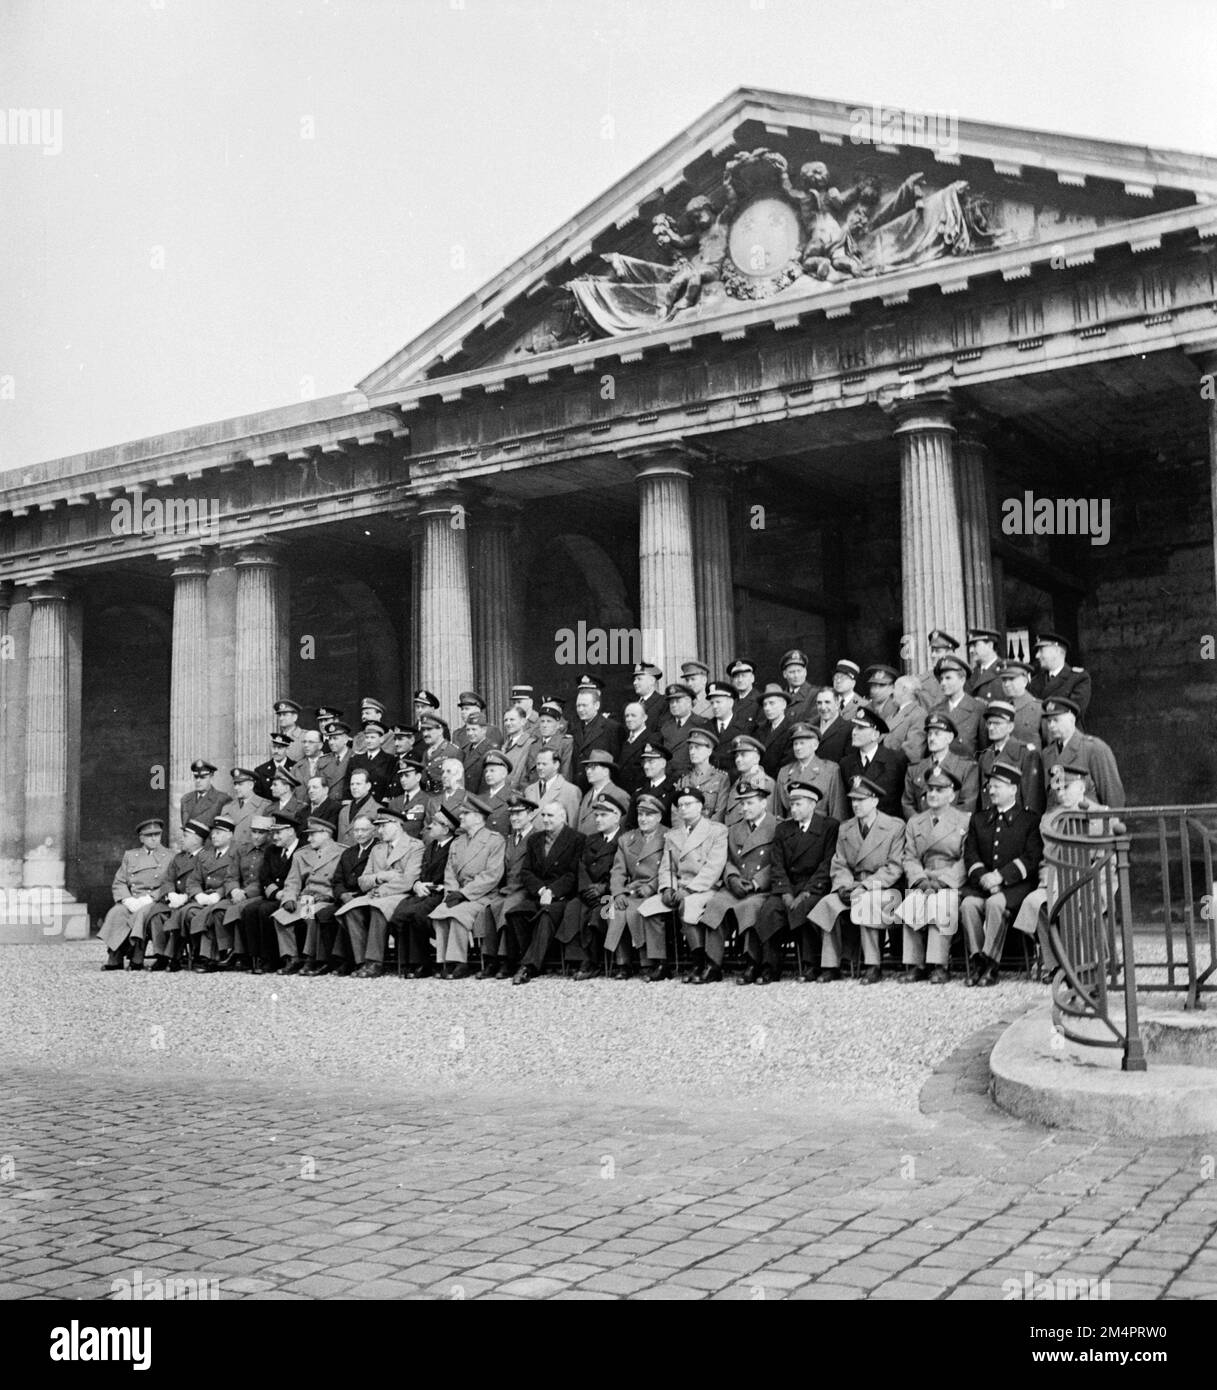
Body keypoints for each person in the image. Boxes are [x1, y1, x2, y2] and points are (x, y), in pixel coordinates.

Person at [809, 776, 905, 985]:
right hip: (851, 885)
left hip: (882, 888)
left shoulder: (894, 826)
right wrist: (843, 886)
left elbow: (894, 867)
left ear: (875, 801)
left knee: (866, 902)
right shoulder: (846, 828)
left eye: (861, 800)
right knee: (828, 903)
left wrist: (865, 886)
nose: (855, 805)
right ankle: (830, 964)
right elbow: (839, 862)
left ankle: (873, 965)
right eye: (853, 800)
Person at [960, 762, 1044, 987]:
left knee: (996, 904)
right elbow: (971, 855)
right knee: (968, 905)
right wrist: (985, 879)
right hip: (983, 884)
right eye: (990, 786)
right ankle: (978, 960)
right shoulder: (979, 819)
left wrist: (1001, 877)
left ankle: (991, 965)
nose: (992, 790)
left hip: (1017, 887)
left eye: (998, 786)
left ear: (1014, 789)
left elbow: (1031, 858)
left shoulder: (1029, 820)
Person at [757, 782, 838, 982]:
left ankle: (810, 965)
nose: (793, 809)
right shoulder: (783, 829)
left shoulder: (829, 827)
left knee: (805, 908)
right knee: (770, 910)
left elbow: (827, 864)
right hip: (788, 887)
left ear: (812, 804)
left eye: (798, 804)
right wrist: (784, 892)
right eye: (791, 805)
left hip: (814, 887)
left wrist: (807, 892)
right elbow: (777, 864)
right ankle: (770, 967)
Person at [701, 779, 779, 984]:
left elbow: (778, 863)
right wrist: (732, 877)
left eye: (750, 803)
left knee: (750, 907)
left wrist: (756, 883)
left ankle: (752, 962)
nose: (745, 808)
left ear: (764, 803)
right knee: (715, 904)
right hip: (737, 885)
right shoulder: (734, 829)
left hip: (761, 888)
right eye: (742, 803)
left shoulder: (777, 826)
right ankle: (713, 964)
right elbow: (726, 859)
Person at [896, 768, 969, 983]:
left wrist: (944, 881)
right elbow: (909, 857)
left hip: (948, 880)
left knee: (941, 902)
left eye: (940, 790)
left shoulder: (963, 821)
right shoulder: (915, 822)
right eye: (930, 790)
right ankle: (916, 964)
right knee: (913, 901)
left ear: (952, 795)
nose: (933, 794)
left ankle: (939, 964)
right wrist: (919, 879)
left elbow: (966, 858)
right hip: (924, 877)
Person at [652, 787, 730, 984]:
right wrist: (667, 887)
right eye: (680, 806)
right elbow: (667, 866)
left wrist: (689, 890)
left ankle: (701, 962)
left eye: (688, 804)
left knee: (689, 905)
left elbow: (714, 866)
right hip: (679, 887)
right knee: (649, 908)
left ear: (701, 806)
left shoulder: (716, 830)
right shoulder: (673, 835)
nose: (683, 809)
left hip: (705, 887)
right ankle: (661, 963)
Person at [336, 807, 425, 979]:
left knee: (378, 909)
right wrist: (381, 877)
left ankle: (374, 962)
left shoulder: (415, 846)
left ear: (397, 825)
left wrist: (381, 889)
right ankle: (361, 961)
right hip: (374, 894)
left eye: (383, 826)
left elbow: (408, 880)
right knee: (350, 910)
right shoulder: (378, 849)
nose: (379, 830)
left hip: (400, 895)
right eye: (379, 826)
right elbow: (362, 881)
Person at [427, 795, 506, 978]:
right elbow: (450, 872)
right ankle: (445, 961)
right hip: (459, 893)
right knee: (440, 913)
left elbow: (492, 876)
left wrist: (463, 894)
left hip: (482, 895)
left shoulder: (495, 840)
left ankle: (459, 962)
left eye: (465, 813)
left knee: (457, 915)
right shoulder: (458, 842)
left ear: (478, 818)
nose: (460, 817)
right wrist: (453, 892)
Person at [508, 802, 585, 985]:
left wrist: (552, 891)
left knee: (547, 914)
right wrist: (541, 890)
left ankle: (529, 966)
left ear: (563, 817)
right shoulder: (535, 840)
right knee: (516, 913)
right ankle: (534, 957)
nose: (545, 820)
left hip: (563, 897)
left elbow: (573, 874)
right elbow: (526, 872)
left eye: (550, 816)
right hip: (539, 892)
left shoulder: (577, 839)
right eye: (543, 816)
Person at [559, 793, 626, 979]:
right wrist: (587, 888)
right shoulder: (591, 839)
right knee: (572, 909)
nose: (598, 819)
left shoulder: (624, 839)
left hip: (609, 893)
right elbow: (580, 866)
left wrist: (604, 889)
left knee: (600, 913)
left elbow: (623, 871)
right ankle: (577, 959)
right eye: (596, 815)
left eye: (603, 815)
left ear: (617, 816)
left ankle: (595, 961)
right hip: (588, 892)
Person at [271, 816, 347, 974]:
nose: (309, 838)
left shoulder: (341, 852)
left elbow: (341, 881)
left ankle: (311, 958)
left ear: (326, 834)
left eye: (313, 834)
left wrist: (329, 896)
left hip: (324, 898)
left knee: (310, 915)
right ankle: (291, 958)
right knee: (280, 916)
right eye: (308, 834)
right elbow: (292, 882)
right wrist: (289, 898)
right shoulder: (302, 854)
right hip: (305, 898)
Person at [98, 818, 175, 971]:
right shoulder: (131, 855)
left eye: (157, 834)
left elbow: (169, 883)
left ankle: (137, 958)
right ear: (141, 838)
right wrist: (127, 899)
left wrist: (150, 897)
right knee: (116, 912)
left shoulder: (170, 856)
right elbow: (119, 881)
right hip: (133, 898)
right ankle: (115, 957)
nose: (154, 838)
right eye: (149, 835)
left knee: (142, 914)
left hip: (155, 900)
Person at [389, 807, 456, 978]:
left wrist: (439, 886)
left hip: (441, 892)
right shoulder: (430, 846)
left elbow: (452, 873)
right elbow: (419, 871)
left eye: (434, 824)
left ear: (446, 829)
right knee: (400, 913)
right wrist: (417, 884)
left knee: (417, 915)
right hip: (423, 890)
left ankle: (422, 963)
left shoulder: (454, 847)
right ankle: (406, 962)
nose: (429, 827)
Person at [606, 793, 667, 979]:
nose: (643, 819)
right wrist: (617, 893)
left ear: (659, 817)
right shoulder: (627, 839)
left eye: (649, 815)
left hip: (656, 889)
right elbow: (618, 871)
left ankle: (650, 962)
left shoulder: (668, 837)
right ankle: (622, 962)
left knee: (642, 911)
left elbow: (669, 868)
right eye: (640, 814)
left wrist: (651, 887)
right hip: (631, 890)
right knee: (611, 909)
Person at [477, 794, 536, 979]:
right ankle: (491, 959)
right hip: (509, 888)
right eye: (512, 815)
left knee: (506, 908)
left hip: (526, 890)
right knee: (489, 908)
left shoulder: (536, 838)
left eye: (519, 814)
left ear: (531, 814)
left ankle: (507, 960)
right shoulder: (510, 838)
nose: (515, 818)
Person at [144, 819, 210, 972]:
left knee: (179, 915)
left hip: (192, 900)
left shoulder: (206, 858)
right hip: (174, 899)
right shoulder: (179, 858)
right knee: (156, 913)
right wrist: (170, 894)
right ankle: (161, 956)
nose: (182, 838)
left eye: (186, 835)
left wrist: (186, 897)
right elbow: (168, 879)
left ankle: (174, 957)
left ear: (196, 839)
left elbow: (206, 885)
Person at [178, 813, 239, 972]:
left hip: (224, 897)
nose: (214, 835)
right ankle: (200, 952)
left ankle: (207, 957)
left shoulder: (236, 854)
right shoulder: (205, 855)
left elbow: (235, 879)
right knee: (188, 912)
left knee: (212, 914)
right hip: (204, 897)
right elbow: (193, 880)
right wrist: (199, 895)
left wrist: (217, 894)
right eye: (213, 832)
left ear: (230, 835)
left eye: (219, 832)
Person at [317, 813, 376, 976]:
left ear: (374, 831)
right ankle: (326, 961)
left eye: (364, 830)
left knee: (347, 913)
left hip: (362, 897)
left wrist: (352, 896)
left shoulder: (376, 850)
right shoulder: (348, 852)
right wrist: (342, 895)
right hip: (338, 898)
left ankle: (350, 961)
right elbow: (337, 880)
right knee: (321, 914)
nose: (359, 834)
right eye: (356, 830)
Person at [1040, 696, 1125, 808]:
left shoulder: (1094, 748)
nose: (1051, 726)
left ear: (1072, 719)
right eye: (1049, 721)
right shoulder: (1047, 754)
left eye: (1056, 720)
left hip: (1087, 821)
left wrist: (1112, 823)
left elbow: (1112, 795)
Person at [221, 813, 275, 971]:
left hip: (258, 894)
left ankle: (240, 953)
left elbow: (263, 879)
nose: (257, 836)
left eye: (261, 833)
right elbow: (231, 875)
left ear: (269, 834)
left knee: (241, 910)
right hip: (238, 892)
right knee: (218, 910)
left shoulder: (270, 852)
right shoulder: (242, 850)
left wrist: (245, 893)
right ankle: (221, 951)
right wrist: (234, 889)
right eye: (254, 832)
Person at [903, 714, 980, 818]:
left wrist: (941, 827)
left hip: (950, 830)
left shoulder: (966, 768)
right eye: (929, 734)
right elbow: (908, 804)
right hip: (920, 829)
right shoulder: (915, 769)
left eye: (937, 734)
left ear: (949, 738)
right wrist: (920, 826)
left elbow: (966, 806)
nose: (931, 738)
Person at [838, 707, 907, 818]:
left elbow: (902, 799)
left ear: (875, 734)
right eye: (854, 727)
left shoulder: (896, 760)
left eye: (861, 728)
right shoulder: (846, 764)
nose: (854, 732)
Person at [978, 700, 1044, 813]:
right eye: (989, 723)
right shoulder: (984, 757)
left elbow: (1032, 800)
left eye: (997, 723)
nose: (991, 728)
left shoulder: (1026, 754)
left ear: (1010, 727)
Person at [774, 723, 846, 821]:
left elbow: (837, 810)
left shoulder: (830, 770)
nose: (798, 748)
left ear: (815, 745)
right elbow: (778, 813)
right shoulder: (784, 772)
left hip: (820, 829)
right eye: (795, 744)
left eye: (802, 743)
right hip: (790, 830)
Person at [568, 677, 624, 786]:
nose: (580, 709)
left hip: (600, 787)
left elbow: (616, 762)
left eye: (584, 705)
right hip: (577, 787)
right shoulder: (574, 728)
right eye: (578, 706)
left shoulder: (611, 728)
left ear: (596, 705)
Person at [1029, 632, 1092, 723]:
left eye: (1041, 650)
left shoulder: (1079, 678)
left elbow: (1074, 711)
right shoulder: (1035, 681)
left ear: (1057, 651)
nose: (1037, 655)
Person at [929, 654, 983, 758]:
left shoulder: (978, 709)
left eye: (948, 678)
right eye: (941, 679)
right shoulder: (935, 711)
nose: (943, 683)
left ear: (962, 680)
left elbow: (984, 751)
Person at [657, 681, 712, 778]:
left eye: (678, 701)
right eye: (671, 702)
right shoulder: (665, 726)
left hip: (690, 777)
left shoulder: (701, 724)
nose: (673, 705)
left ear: (688, 702)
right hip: (667, 777)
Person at [674, 727, 729, 822]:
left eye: (697, 748)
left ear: (709, 751)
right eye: (690, 748)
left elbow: (720, 812)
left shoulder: (721, 779)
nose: (692, 752)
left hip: (710, 832)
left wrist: (703, 833)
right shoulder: (684, 780)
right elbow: (677, 813)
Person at [524, 746, 581, 827]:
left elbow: (573, 826)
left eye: (544, 764)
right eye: (538, 764)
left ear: (556, 765)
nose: (540, 767)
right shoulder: (529, 790)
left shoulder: (570, 790)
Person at [221, 767, 272, 851]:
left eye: (240, 784)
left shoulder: (264, 806)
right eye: (235, 784)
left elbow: (268, 838)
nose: (236, 788)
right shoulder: (227, 807)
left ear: (251, 785)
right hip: (230, 856)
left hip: (250, 855)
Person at [914, 629, 961, 711]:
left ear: (950, 653)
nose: (932, 655)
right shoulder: (922, 680)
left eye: (937, 651)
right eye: (932, 651)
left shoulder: (962, 677)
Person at [616, 701, 653, 797]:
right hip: (622, 794)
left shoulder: (652, 739)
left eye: (633, 715)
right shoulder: (624, 740)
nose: (629, 719)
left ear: (644, 717)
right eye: (627, 716)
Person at [179, 759, 227, 830]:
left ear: (211, 778)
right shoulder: (185, 799)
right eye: (196, 777)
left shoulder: (222, 799)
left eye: (202, 777)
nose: (198, 781)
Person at [337, 768, 381, 844]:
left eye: (358, 784)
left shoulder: (378, 811)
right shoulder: (343, 811)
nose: (354, 787)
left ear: (368, 786)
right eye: (352, 784)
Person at [497, 706, 537, 788]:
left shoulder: (530, 744)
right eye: (506, 720)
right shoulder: (506, 744)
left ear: (523, 721)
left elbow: (525, 777)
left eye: (512, 719)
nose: (508, 723)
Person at [812, 687, 853, 764]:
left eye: (827, 702)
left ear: (837, 703)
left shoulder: (849, 729)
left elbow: (847, 762)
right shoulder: (810, 726)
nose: (823, 707)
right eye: (819, 703)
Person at [965, 627, 1005, 703]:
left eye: (975, 645)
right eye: (970, 646)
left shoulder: (1004, 671)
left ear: (990, 645)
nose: (971, 650)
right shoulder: (972, 673)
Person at [780, 649, 816, 725]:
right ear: (784, 674)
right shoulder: (780, 697)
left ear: (805, 672)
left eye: (799, 671)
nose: (796, 676)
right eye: (792, 672)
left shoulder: (815, 694)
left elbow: (812, 722)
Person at [631, 661, 666, 731]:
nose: (634, 682)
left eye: (639, 679)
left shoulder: (664, 702)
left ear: (651, 681)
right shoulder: (632, 704)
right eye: (634, 679)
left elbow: (662, 731)